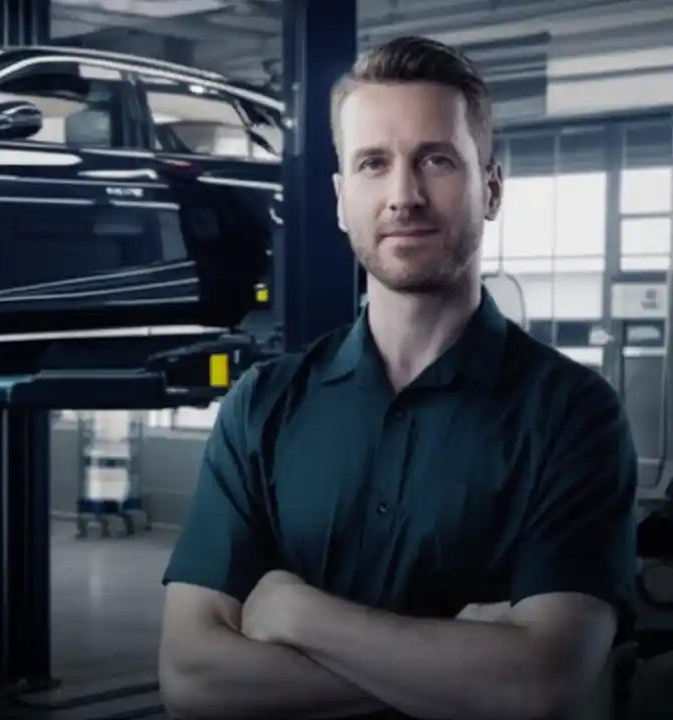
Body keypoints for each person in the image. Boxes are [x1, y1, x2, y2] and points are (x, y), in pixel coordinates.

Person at [158, 35, 638, 720]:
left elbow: (541, 687)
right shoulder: (261, 406)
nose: (403, 196)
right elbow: (190, 678)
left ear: (492, 188)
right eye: (373, 163)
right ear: (339, 197)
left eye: (436, 160)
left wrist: (297, 613)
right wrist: (470, 664)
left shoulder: (572, 414)